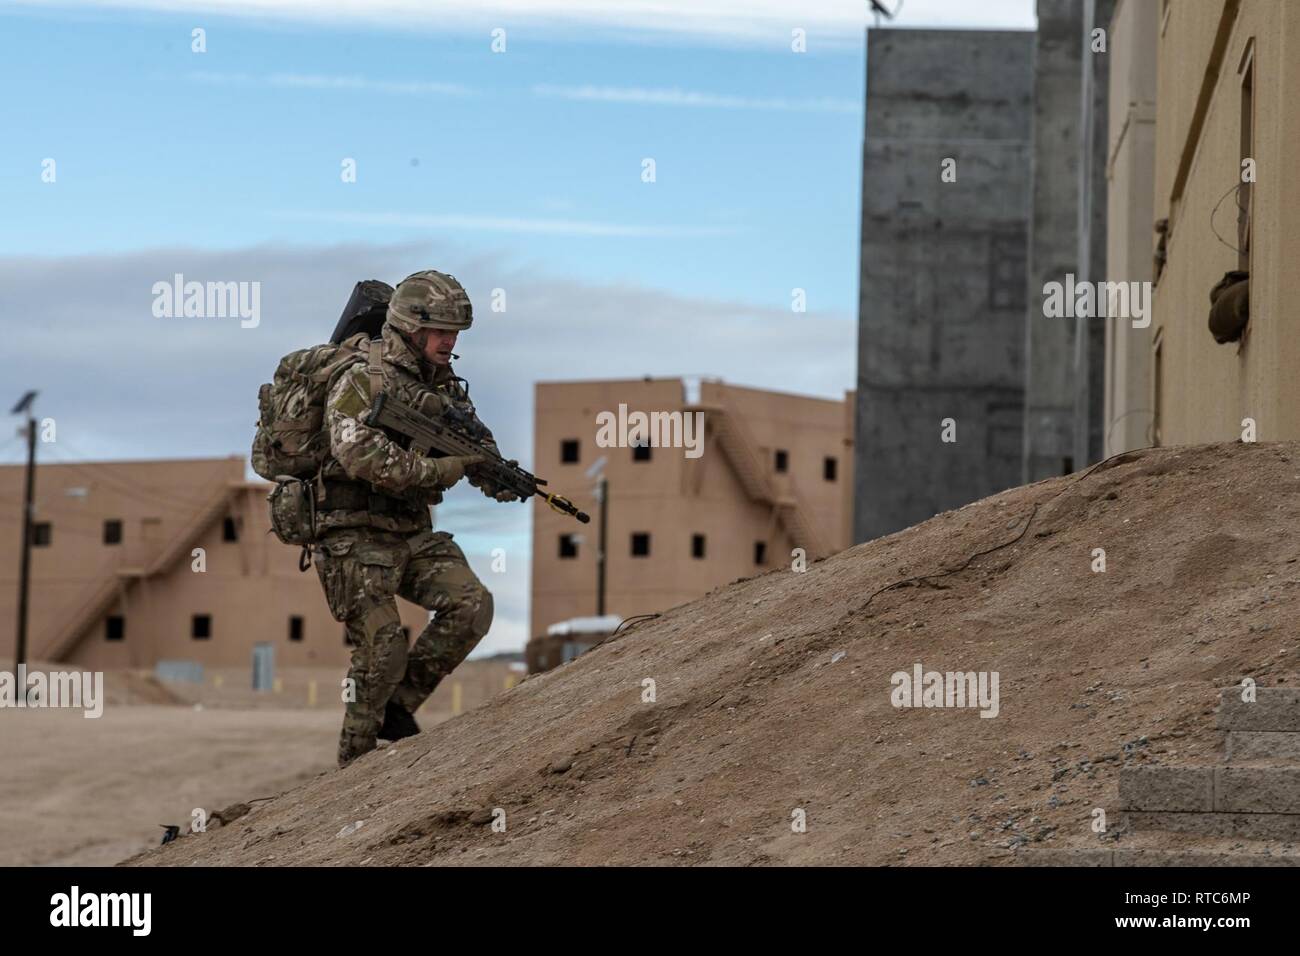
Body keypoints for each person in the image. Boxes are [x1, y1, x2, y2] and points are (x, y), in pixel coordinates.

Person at [313, 270, 519, 767]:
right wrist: (438, 469)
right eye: (440, 331)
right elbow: (354, 451)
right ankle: (353, 767)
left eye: (455, 333)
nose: (449, 341)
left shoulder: (446, 388)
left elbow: (474, 448)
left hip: (410, 531)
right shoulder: (364, 375)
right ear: (409, 326)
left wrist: (497, 475)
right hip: (352, 535)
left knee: (472, 606)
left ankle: (397, 710)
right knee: (382, 648)